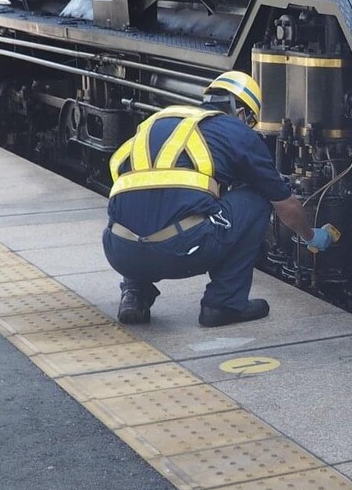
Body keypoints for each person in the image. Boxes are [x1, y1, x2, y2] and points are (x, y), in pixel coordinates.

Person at [102, 70, 339, 327]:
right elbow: (286, 206)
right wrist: (311, 236)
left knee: (146, 203)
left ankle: (134, 295)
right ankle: (224, 304)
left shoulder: (161, 122)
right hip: (182, 250)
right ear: (241, 113)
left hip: (119, 250)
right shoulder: (236, 131)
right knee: (258, 198)